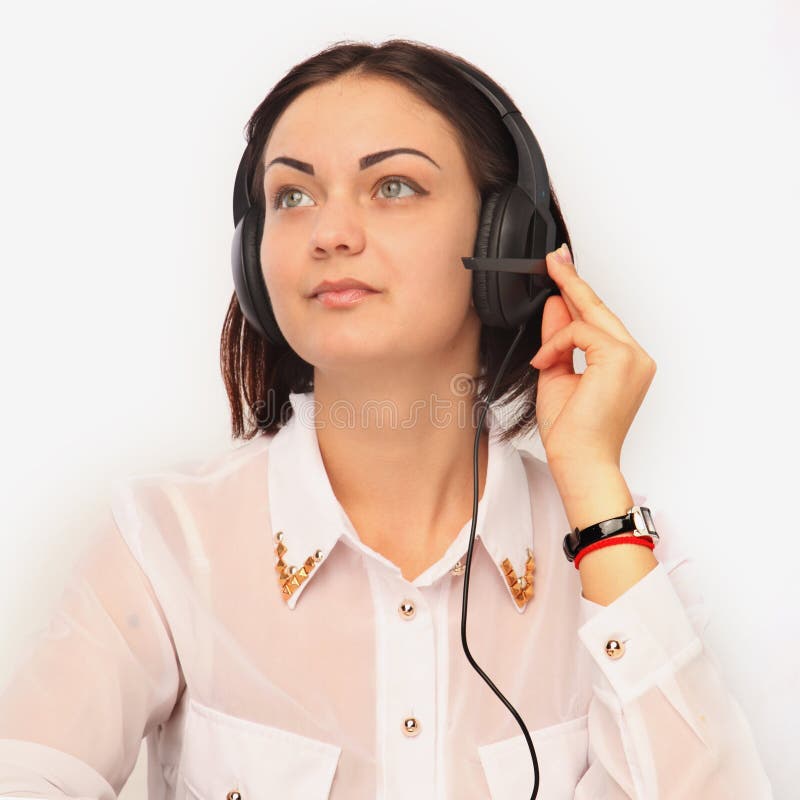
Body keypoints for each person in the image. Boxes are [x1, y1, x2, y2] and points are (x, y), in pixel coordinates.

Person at [0, 39, 773, 799]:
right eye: (292, 196)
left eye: (394, 186)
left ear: (507, 238)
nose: (330, 232)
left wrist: (594, 488)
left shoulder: (625, 564)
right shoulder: (166, 541)